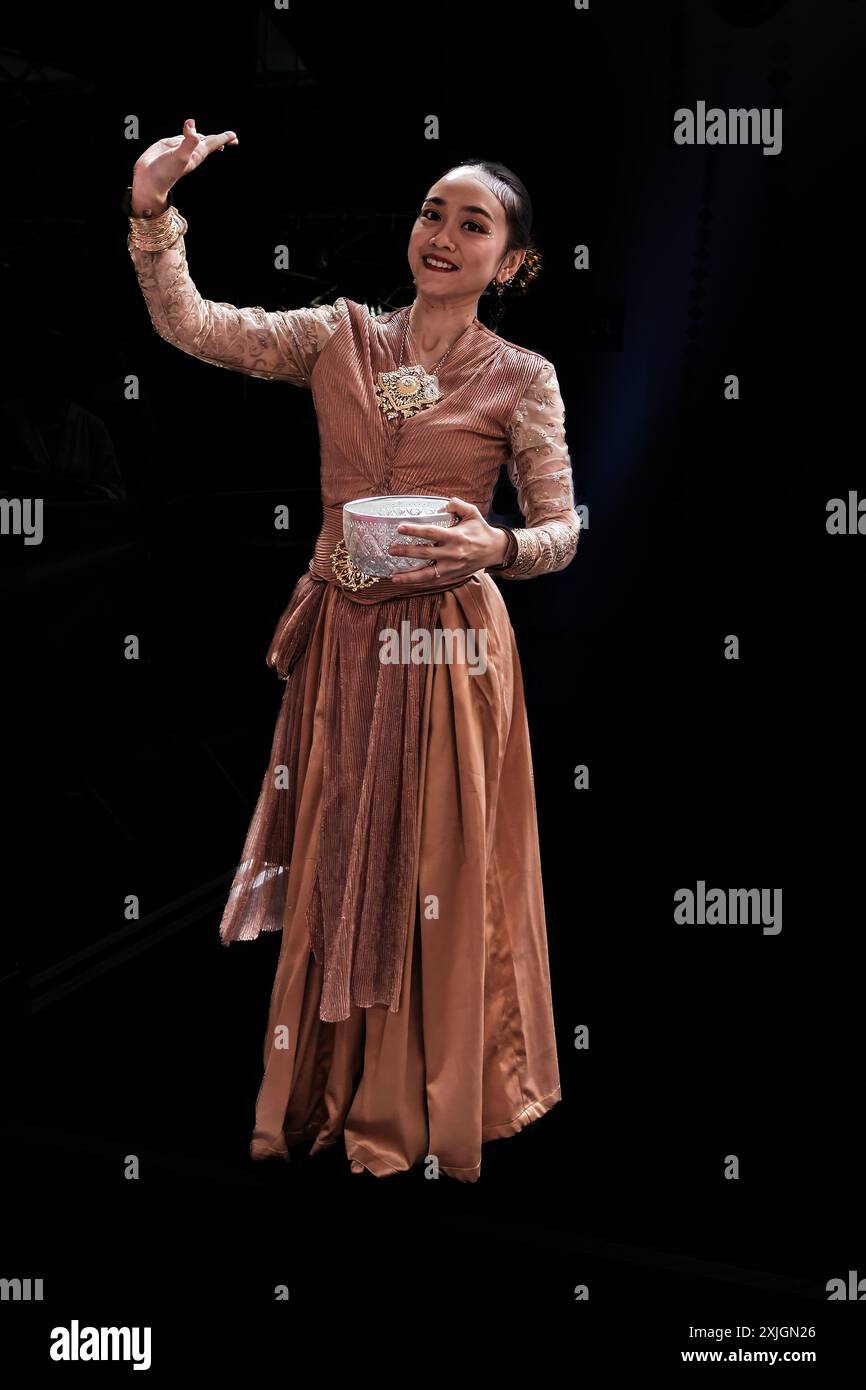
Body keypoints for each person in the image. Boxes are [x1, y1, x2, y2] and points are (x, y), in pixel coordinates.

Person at [124, 119, 581, 1182]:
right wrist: (153, 213)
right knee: (340, 858)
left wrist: (498, 541)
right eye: (431, 212)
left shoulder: (520, 376)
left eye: (472, 226)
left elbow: (562, 529)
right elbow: (196, 327)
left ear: (507, 263)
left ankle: (423, 1100)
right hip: (345, 636)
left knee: (437, 866)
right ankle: (329, 1088)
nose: (441, 234)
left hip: (452, 650)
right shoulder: (338, 337)